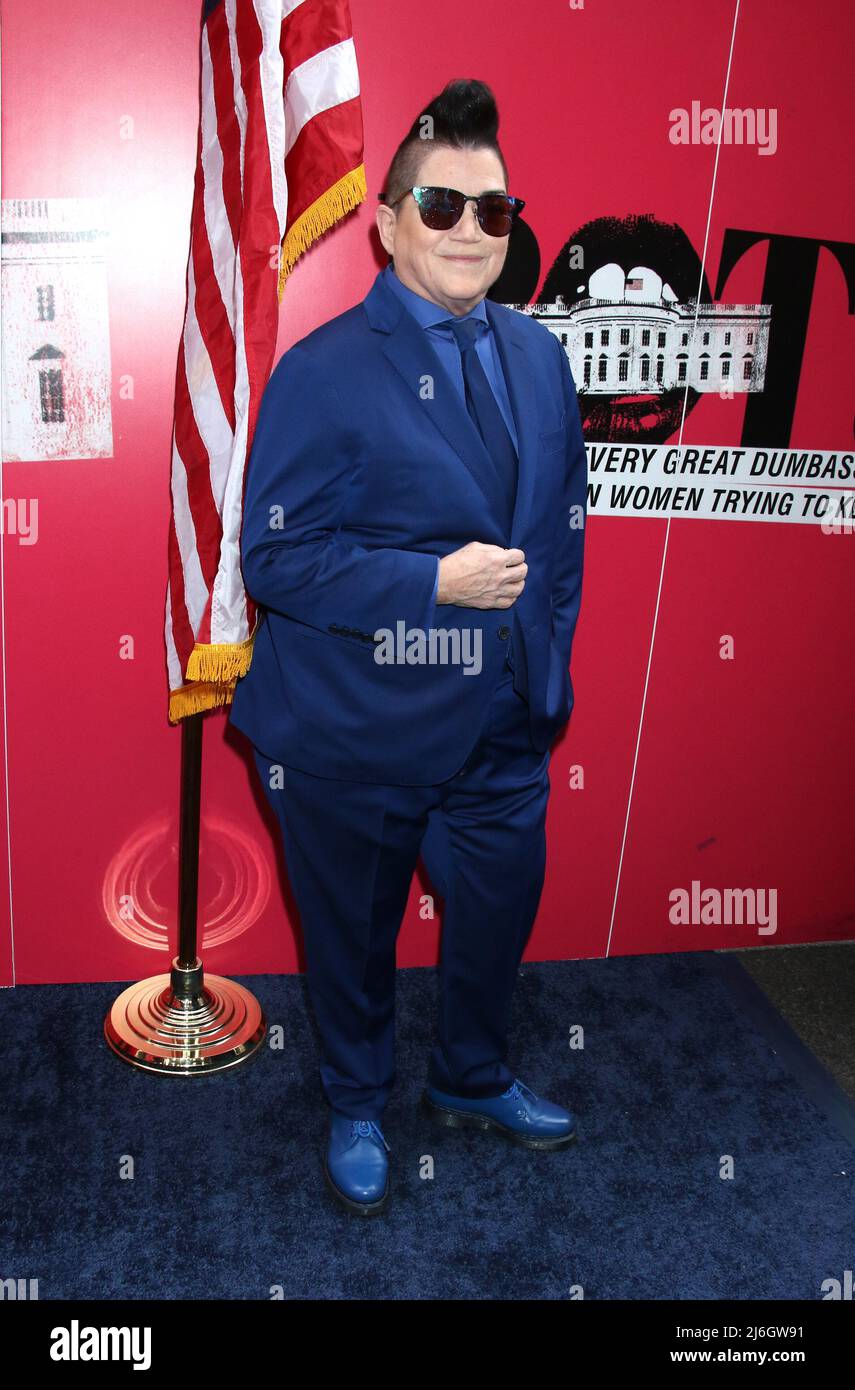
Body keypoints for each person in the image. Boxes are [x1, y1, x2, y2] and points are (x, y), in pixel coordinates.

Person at [228, 78, 587, 1216]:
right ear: (386, 225)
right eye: (442, 207)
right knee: (353, 942)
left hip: (502, 724)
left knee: (493, 923)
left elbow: (560, 533)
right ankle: (355, 1100)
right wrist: (431, 582)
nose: (472, 231)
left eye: (495, 210)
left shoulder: (537, 356)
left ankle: (473, 1076)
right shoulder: (326, 368)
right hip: (356, 729)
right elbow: (278, 560)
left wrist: (547, 666)